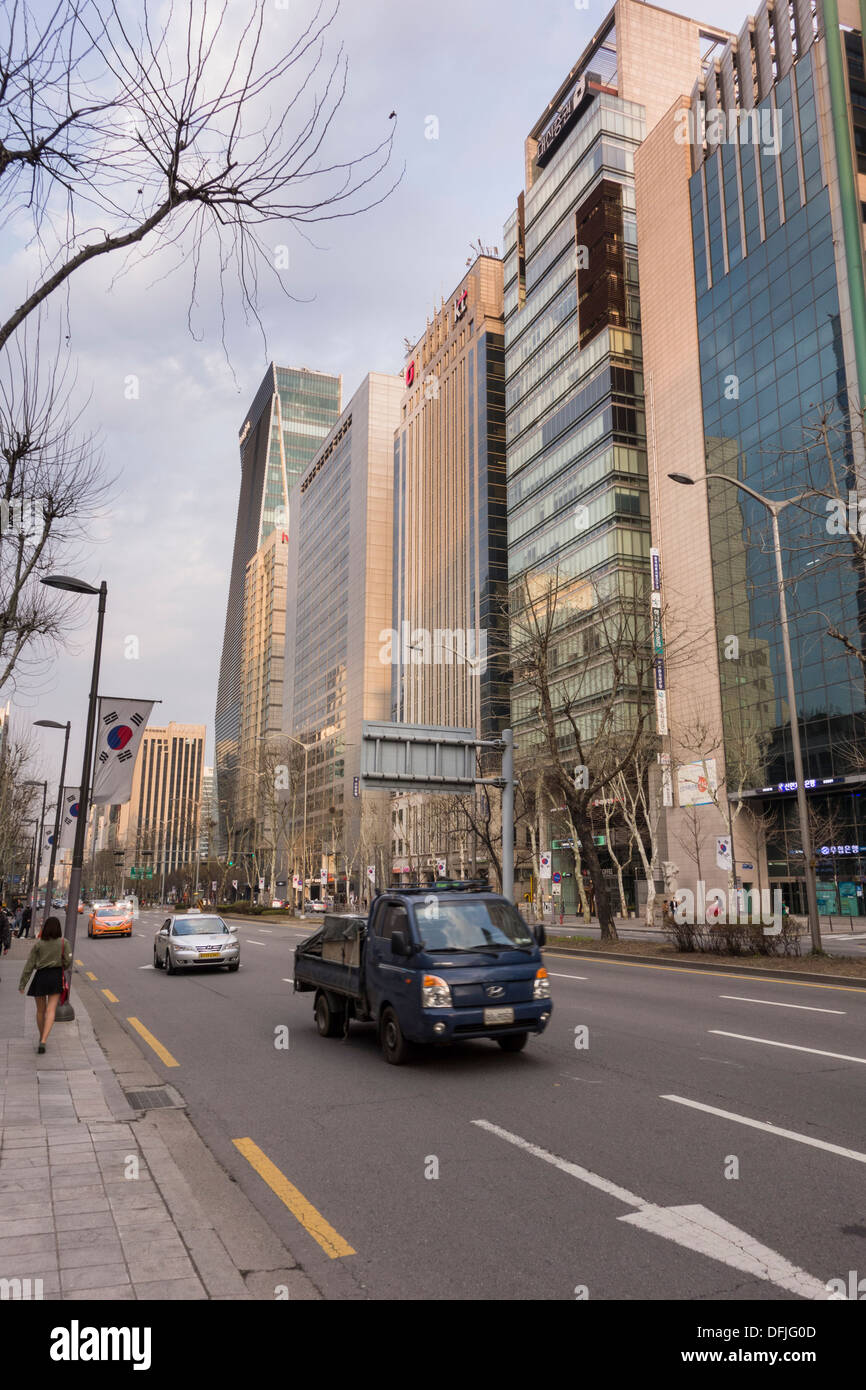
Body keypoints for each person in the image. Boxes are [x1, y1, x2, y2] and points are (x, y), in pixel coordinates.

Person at [18, 917, 71, 1054]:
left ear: (45, 928)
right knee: (51, 1010)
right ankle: (44, 1040)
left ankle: (42, 1036)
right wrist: (61, 965)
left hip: (40, 977)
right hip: (55, 977)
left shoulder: (39, 944)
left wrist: (23, 983)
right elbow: (68, 962)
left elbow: (29, 965)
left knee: (40, 1011)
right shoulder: (64, 943)